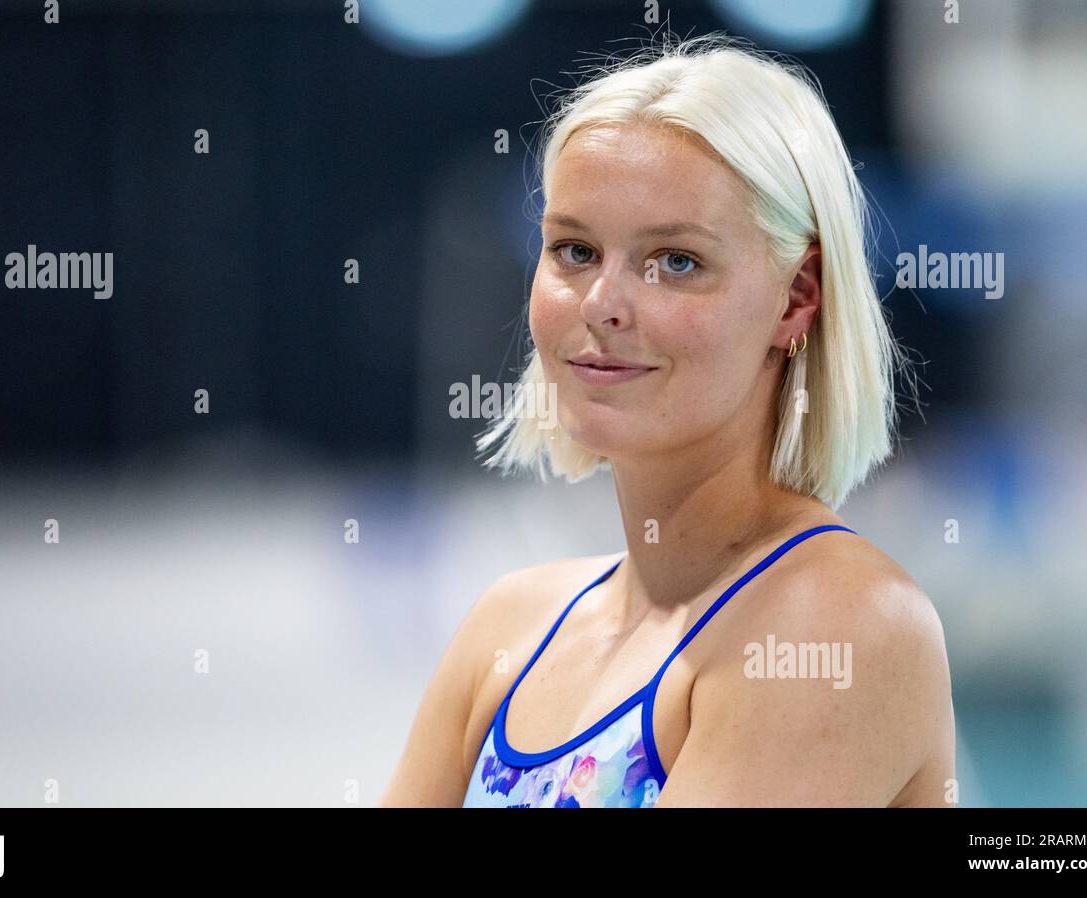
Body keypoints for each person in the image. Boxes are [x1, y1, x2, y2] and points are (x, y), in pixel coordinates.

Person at [381, 34, 953, 808]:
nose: (603, 304)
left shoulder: (839, 627)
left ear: (797, 298)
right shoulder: (511, 627)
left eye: (675, 261)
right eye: (574, 250)